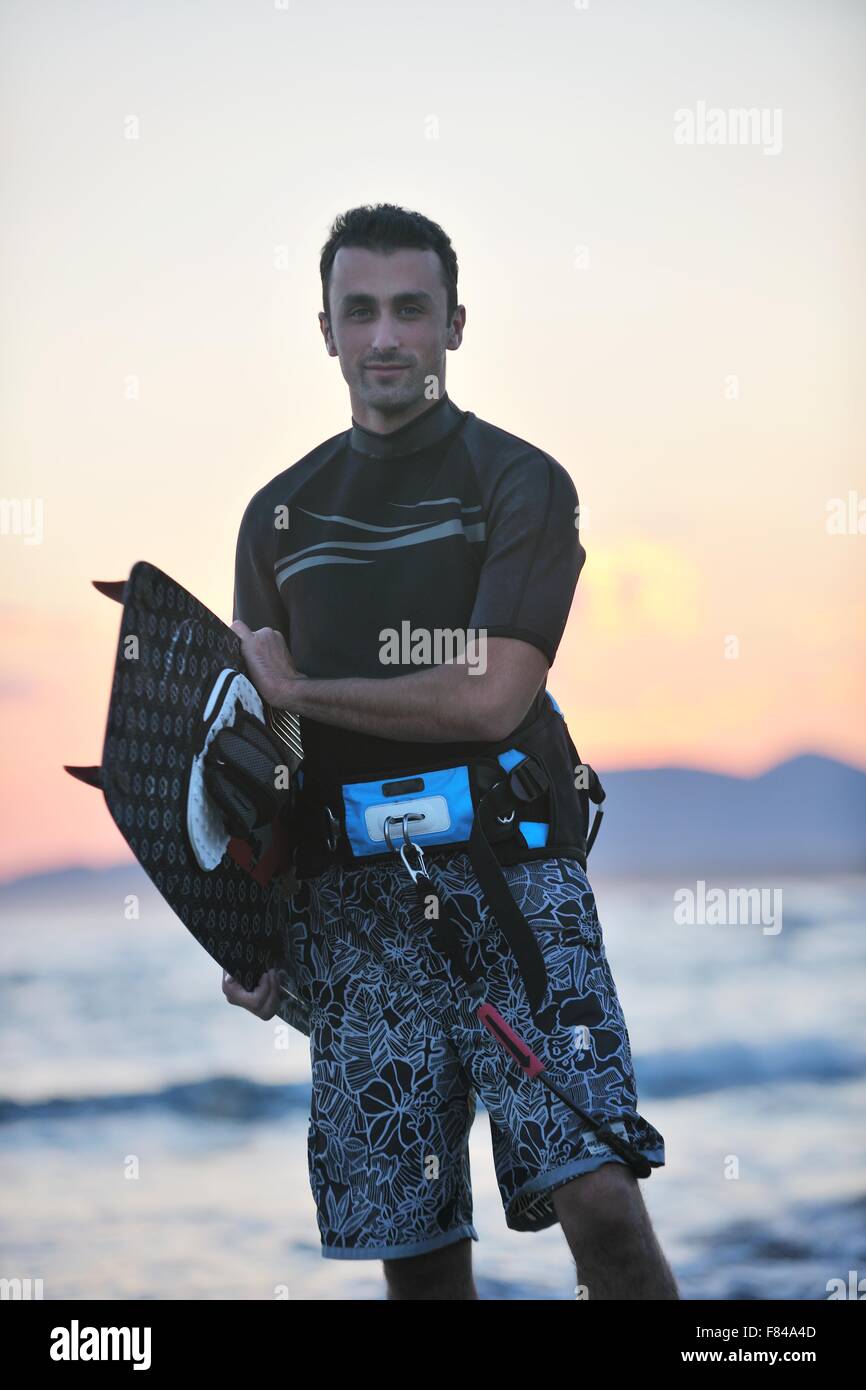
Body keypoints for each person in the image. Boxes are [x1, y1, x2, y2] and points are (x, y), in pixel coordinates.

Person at [222, 203, 679, 1300]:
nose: (385, 336)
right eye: (360, 311)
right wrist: (245, 924)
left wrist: (301, 685)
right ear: (324, 331)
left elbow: (491, 695)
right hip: (351, 910)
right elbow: (259, 753)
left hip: (513, 881)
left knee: (601, 1202)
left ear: (455, 324)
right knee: (419, 1261)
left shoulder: (518, 482)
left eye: (410, 310)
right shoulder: (276, 516)